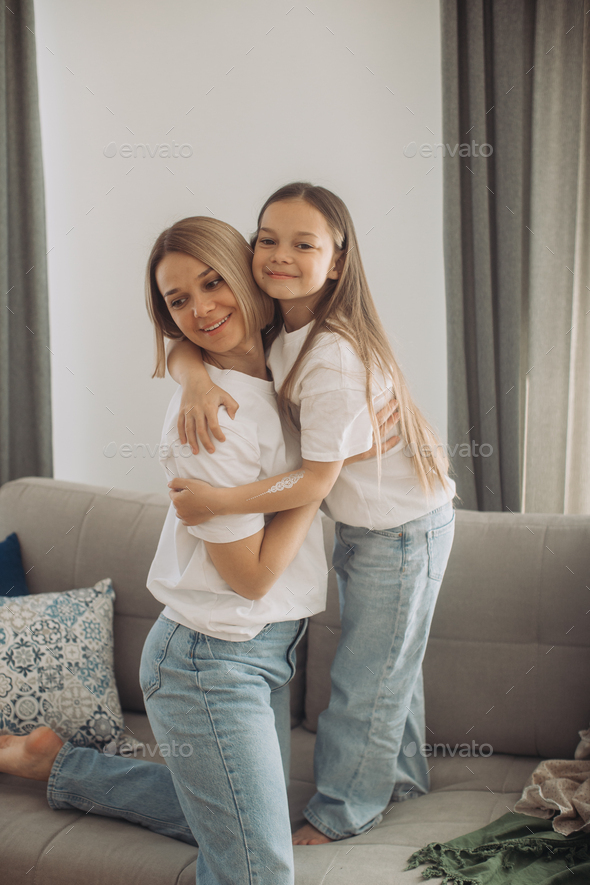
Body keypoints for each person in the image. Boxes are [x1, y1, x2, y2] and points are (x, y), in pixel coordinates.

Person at [0, 216, 330, 885]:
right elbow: (251, 578)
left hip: (265, 648)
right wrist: (321, 477)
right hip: (210, 662)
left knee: (238, 818)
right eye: (179, 300)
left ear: (248, 276)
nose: (200, 309)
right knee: (259, 869)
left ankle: (57, 765)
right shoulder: (209, 426)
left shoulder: (280, 361)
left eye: (212, 283)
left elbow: (194, 348)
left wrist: (194, 373)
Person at [164, 182, 457, 845]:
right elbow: (179, 340)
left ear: (337, 259)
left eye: (304, 244)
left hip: (403, 531)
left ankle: (343, 810)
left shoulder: (332, 356)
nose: (281, 255)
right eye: (268, 239)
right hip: (368, 525)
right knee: (389, 661)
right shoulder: (276, 320)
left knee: (368, 674)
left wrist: (220, 501)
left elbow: (316, 480)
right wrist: (197, 381)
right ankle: (401, 782)